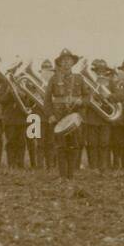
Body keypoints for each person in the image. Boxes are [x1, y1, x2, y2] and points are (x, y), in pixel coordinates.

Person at [46, 48, 85, 179]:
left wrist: (82, 101)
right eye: (64, 61)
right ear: (60, 63)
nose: (66, 63)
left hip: (74, 117)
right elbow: (47, 100)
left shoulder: (79, 78)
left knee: (74, 145)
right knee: (61, 146)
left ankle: (71, 175)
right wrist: (50, 115)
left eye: (69, 60)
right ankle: (62, 175)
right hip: (58, 116)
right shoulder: (53, 79)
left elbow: (88, 97)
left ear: (73, 63)